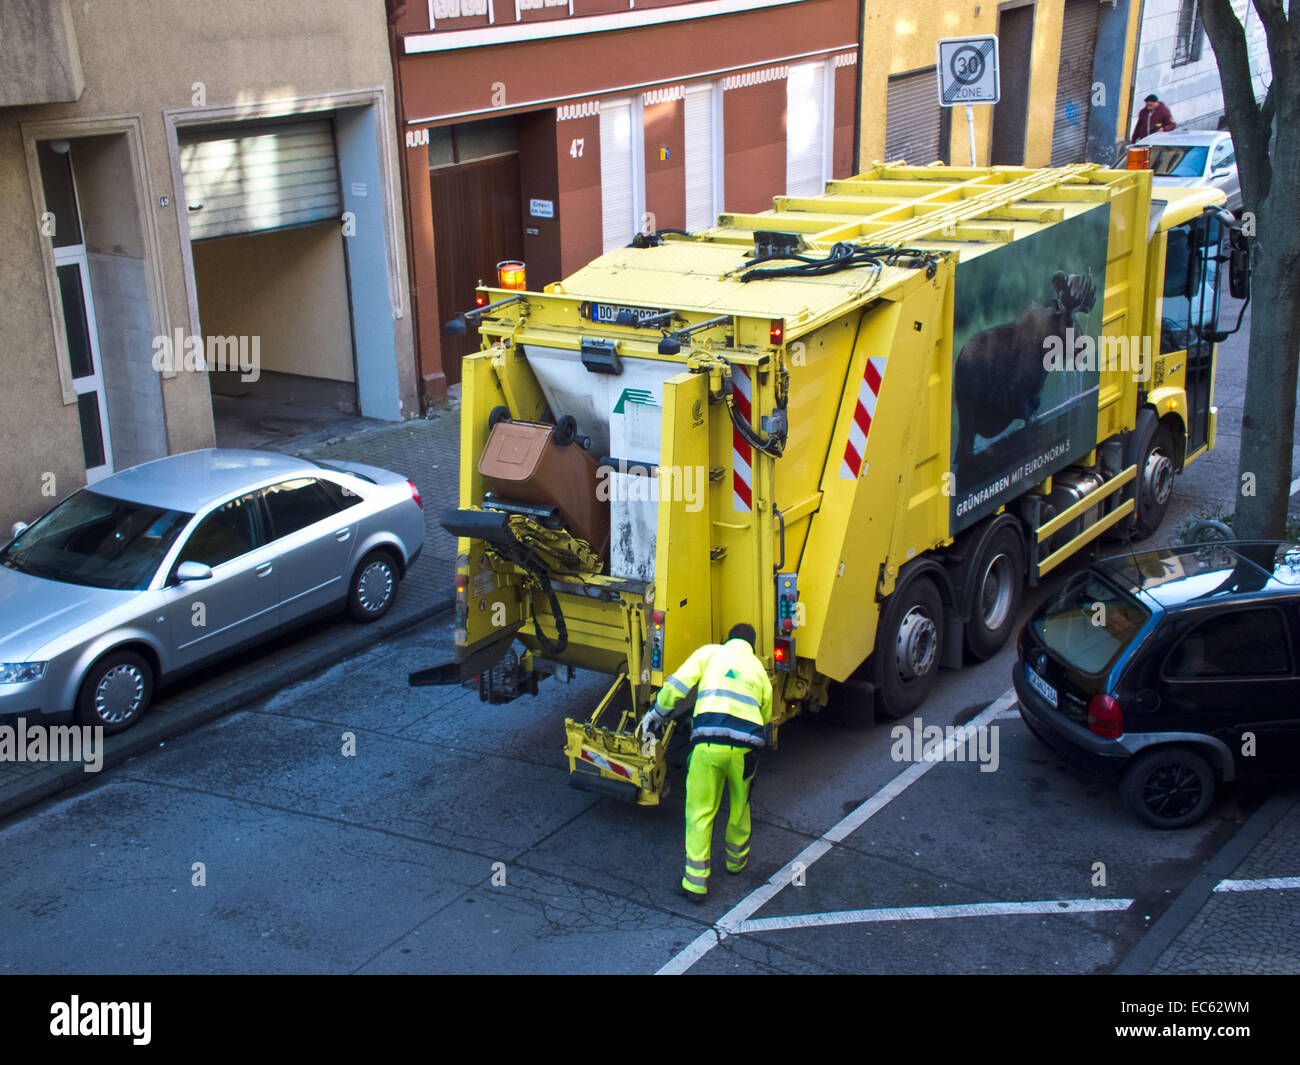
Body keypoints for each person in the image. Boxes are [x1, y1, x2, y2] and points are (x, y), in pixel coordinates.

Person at [640, 623, 773, 902]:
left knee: (700, 811)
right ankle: (736, 863)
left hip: (707, 744)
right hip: (745, 750)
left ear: (728, 640)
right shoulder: (759, 669)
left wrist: (658, 712)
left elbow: (678, 684)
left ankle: (695, 884)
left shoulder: (711, 653)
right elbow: (766, 716)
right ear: (752, 645)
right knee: (740, 803)